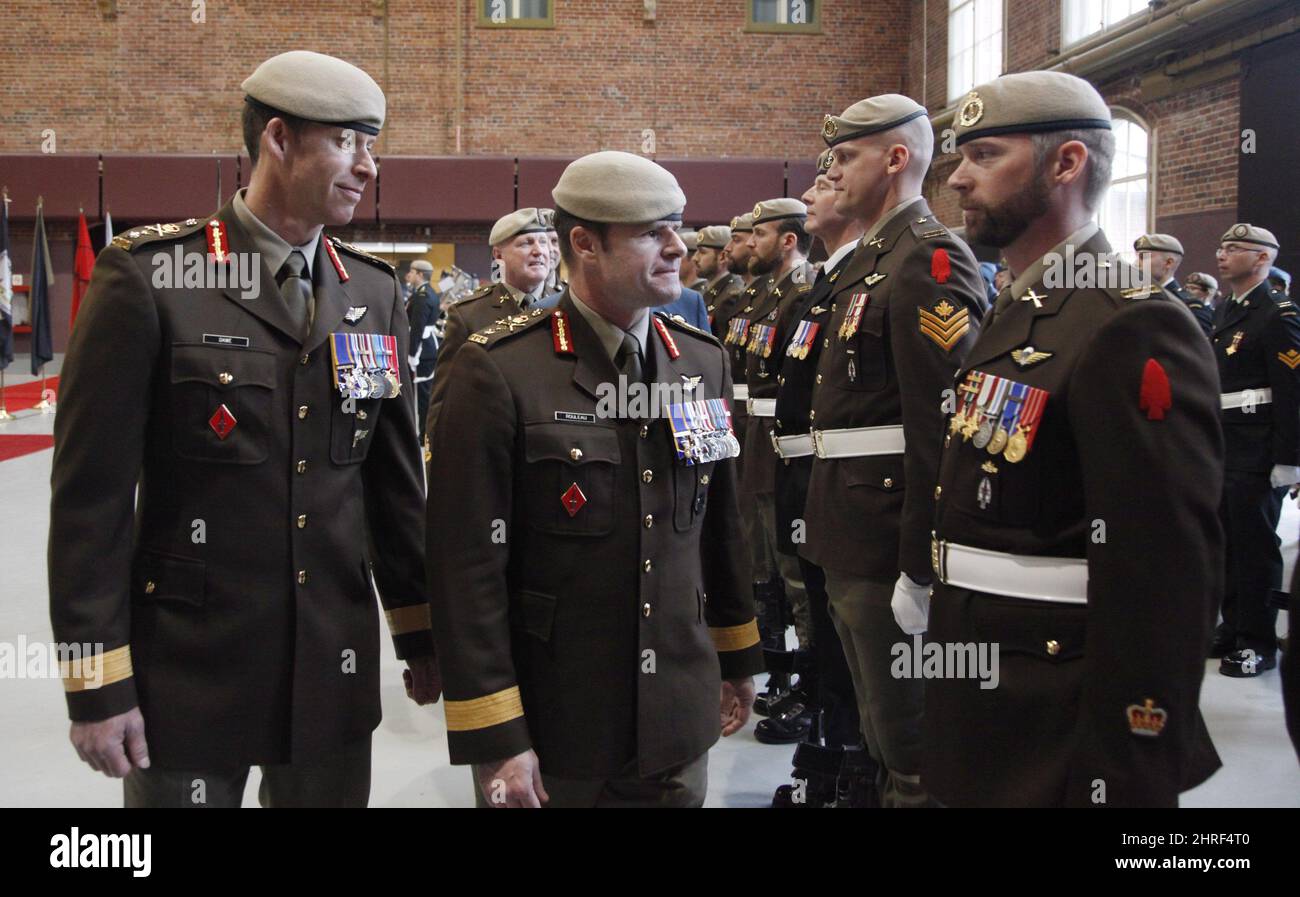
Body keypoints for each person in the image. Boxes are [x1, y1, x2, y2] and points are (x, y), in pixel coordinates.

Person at [48, 50, 440, 807]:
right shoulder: (153, 277)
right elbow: (89, 502)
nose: (369, 166)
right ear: (280, 140)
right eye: (349, 141)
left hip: (331, 659)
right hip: (190, 663)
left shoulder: (373, 291)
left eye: (373, 145)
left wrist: (419, 634)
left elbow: (393, 489)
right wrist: (95, 681)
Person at [426, 150, 763, 808]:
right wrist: (495, 730)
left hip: (676, 712)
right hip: (559, 724)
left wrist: (738, 653)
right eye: (650, 232)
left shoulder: (700, 360)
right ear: (583, 242)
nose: (677, 246)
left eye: (678, 225)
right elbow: (464, 569)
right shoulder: (499, 370)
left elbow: (721, 528)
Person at [927, 70, 1222, 806]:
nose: (959, 178)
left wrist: (1128, 760)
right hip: (987, 681)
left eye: (986, 155)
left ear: (1066, 164)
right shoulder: (1020, 302)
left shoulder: (1128, 321)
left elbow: (1163, 576)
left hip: (1056, 708)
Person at [804, 93, 985, 808]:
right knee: (881, 729)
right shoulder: (867, 262)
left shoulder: (928, 258)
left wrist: (924, 563)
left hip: (888, 540)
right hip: (847, 528)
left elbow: (944, 425)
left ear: (896, 158)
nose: (833, 171)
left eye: (846, 157)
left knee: (912, 741)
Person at [768, 150, 865, 805]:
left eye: (827, 180)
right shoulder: (826, 285)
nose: (810, 192)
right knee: (826, 632)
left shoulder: (886, 276)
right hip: (807, 473)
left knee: (853, 649)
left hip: (854, 491)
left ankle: (855, 766)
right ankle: (830, 753)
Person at [1211, 223, 1300, 677]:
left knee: (1255, 547)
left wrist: (1289, 459)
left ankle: (1258, 641)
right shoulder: (1229, 308)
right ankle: (1232, 625)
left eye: (1235, 248)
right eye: (1223, 246)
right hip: (1227, 444)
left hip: (1259, 450)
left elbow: (1292, 390)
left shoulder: (1278, 313)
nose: (1223, 254)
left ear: (1263, 258)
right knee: (1226, 541)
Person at [738, 198, 816, 661]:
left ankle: (806, 674)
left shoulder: (801, 291)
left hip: (782, 436)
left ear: (788, 241)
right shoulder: (767, 292)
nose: (750, 242)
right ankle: (776, 658)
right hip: (756, 432)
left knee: (792, 568)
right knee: (763, 556)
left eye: (760, 234)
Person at [425, 208, 560, 436]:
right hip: (489, 441)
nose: (539, 251)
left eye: (544, 243)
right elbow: (444, 403)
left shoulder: (567, 307)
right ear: (499, 255)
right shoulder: (468, 315)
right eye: (526, 243)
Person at [1134, 233, 1212, 337]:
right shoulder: (1136, 298)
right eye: (1137, 257)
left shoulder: (1188, 306)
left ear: (1168, 263)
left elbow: (1197, 348)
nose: (1136, 263)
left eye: (1144, 257)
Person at [405, 259, 439, 441]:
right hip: (427, 348)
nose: (408, 275)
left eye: (411, 271)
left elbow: (417, 328)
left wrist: (411, 354)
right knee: (424, 393)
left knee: (421, 395)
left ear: (419, 274)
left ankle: (421, 434)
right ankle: (422, 432)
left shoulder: (422, 296)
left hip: (421, 351)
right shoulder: (426, 292)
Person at [695, 225, 743, 339]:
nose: (695, 258)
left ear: (722, 257)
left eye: (702, 252)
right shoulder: (707, 291)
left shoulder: (731, 295)